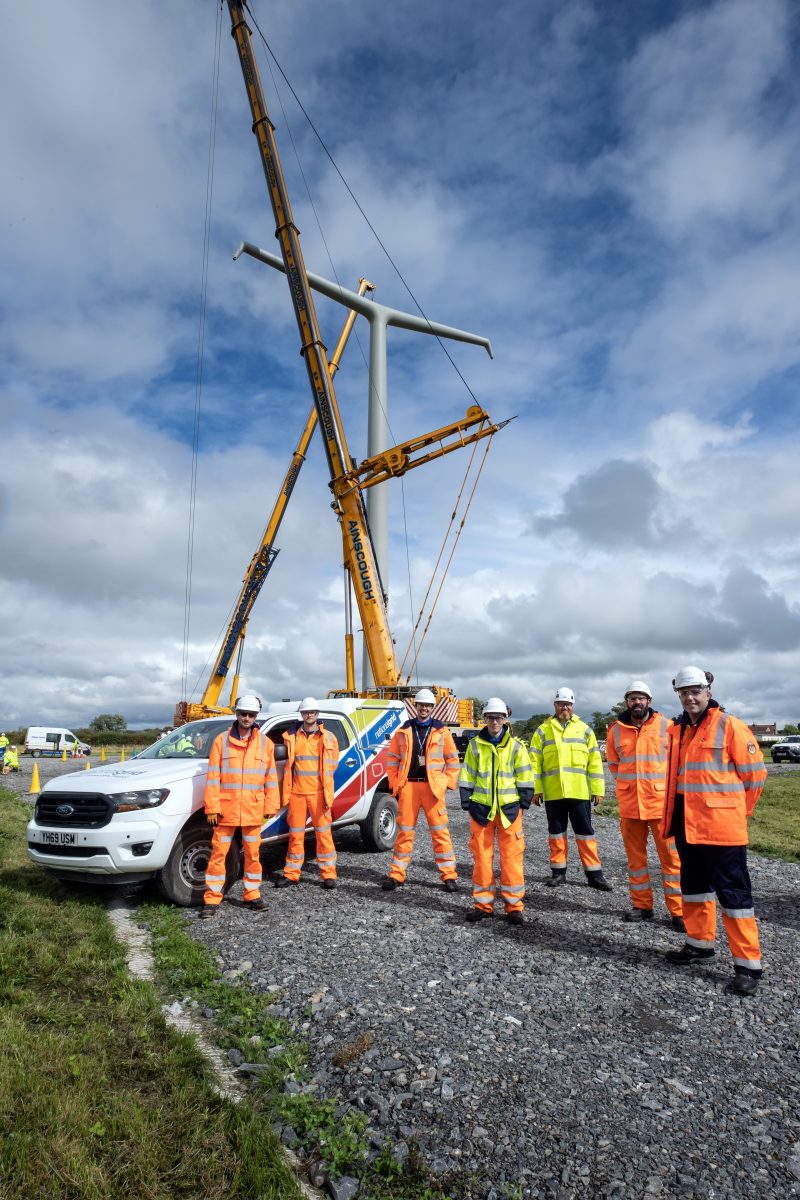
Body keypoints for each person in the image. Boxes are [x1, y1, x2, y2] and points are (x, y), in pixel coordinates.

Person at [663, 666, 767, 997]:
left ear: (708, 692)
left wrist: (737, 812)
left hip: (722, 831)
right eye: (684, 693)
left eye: (696, 691)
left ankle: (747, 966)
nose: (690, 697)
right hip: (687, 826)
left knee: (734, 898)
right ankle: (699, 945)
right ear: (678, 696)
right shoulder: (677, 730)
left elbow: (756, 776)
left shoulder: (729, 726)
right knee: (694, 890)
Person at [606, 680, 684, 930]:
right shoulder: (615, 730)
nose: (636, 702)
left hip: (661, 805)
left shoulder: (667, 726)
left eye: (641, 698)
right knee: (635, 860)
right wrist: (629, 787)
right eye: (632, 698)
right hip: (630, 806)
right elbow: (614, 764)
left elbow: (677, 762)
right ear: (626, 702)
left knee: (672, 860)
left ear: (649, 701)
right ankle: (642, 906)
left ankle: (679, 911)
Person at [199, 694, 279, 918]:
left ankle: (252, 895)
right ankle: (212, 899)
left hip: (253, 810)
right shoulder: (221, 741)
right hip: (226, 810)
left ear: (256, 717)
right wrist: (212, 807)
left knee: (253, 855)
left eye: (251, 715)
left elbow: (270, 778)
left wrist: (271, 805)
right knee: (218, 855)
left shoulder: (266, 744)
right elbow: (213, 777)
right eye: (243, 714)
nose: (246, 718)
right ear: (236, 714)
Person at [459, 697, 535, 925]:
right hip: (481, 811)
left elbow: (525, 777)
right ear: (484, 719)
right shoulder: (475, 746)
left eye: (498, 717)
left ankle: (514, 907)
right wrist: (467, 802)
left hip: (509, 812)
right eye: (491, 717)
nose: (494, 721)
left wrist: (522, 803)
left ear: (505, 719)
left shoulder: (517, 747)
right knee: (482, 860)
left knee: (511, 860)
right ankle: (483, 905)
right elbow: (468, 775)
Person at [530, 687, 612, 891]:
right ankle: (558, 873)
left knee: (585, 834)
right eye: (560, 703)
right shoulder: (543, 730)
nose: (564, 707)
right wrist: (535, 789)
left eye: (567, 704)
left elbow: (595, 762)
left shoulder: (585, 730)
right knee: (556, 833)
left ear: (572, 706)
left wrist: (598, 789)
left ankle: (594, 875)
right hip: (553, 792)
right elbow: (534, 762)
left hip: (579, 792)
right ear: (555, 705)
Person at [382, 688, 460, 893]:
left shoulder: (442, 732)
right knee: (404, 833)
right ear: (415, 706)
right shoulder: (403, 731)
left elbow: (453, 760)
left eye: (427, 705)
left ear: (432, 708)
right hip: (408, 787)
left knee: (440, 833)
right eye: (421, 705)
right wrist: (395, 783)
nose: (424, 708)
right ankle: (397, 875)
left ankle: (449, 876)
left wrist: (447, 783)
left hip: (433, 789)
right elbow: (392, 760)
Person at [275, 698, 339, 890]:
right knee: (295, 835)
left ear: (317, 714)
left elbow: (332, 764)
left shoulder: (328, 737)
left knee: (324, 835)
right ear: (301, 714)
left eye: (312, 712)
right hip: (296, 793)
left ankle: (328, 875)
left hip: (319, 793)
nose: (309, 715)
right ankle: (291, 874)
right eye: (305, 712)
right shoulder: (291, 736)